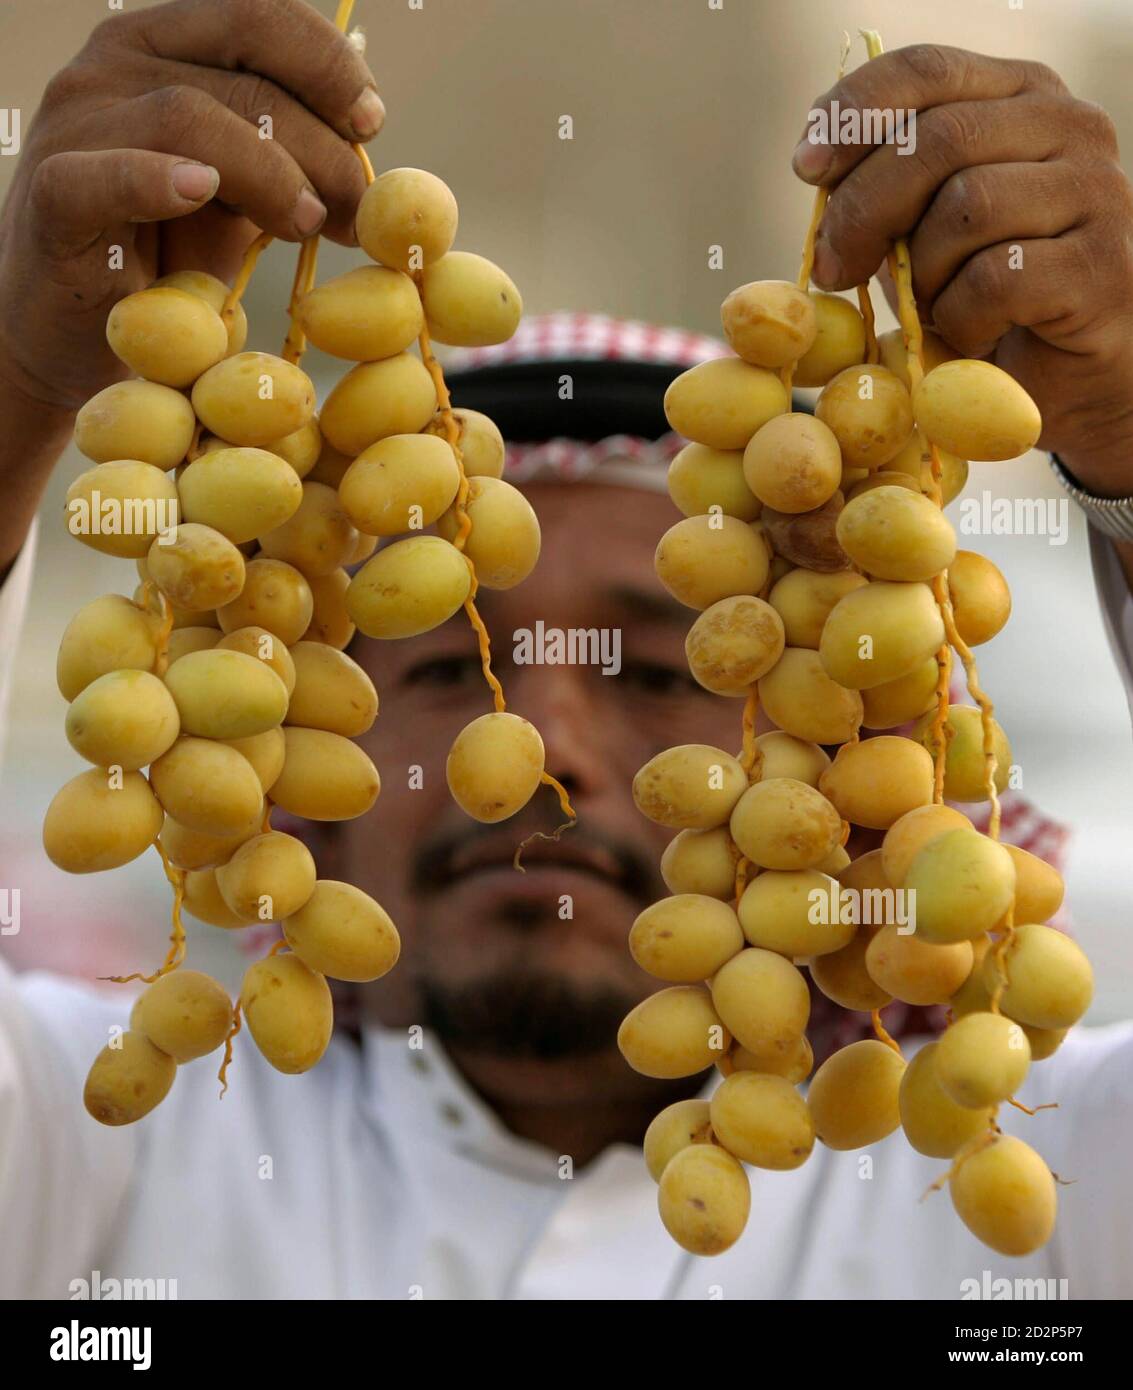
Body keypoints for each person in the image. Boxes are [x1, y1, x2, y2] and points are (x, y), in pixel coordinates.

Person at [1, 0, 1132, 1300]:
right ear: (304, 751)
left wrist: (1120, 438)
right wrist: (17, 393)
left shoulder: (1062, 1168)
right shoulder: (102, 1137)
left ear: (840, 742)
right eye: (441, 668)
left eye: (657, 673)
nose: (543, 754)